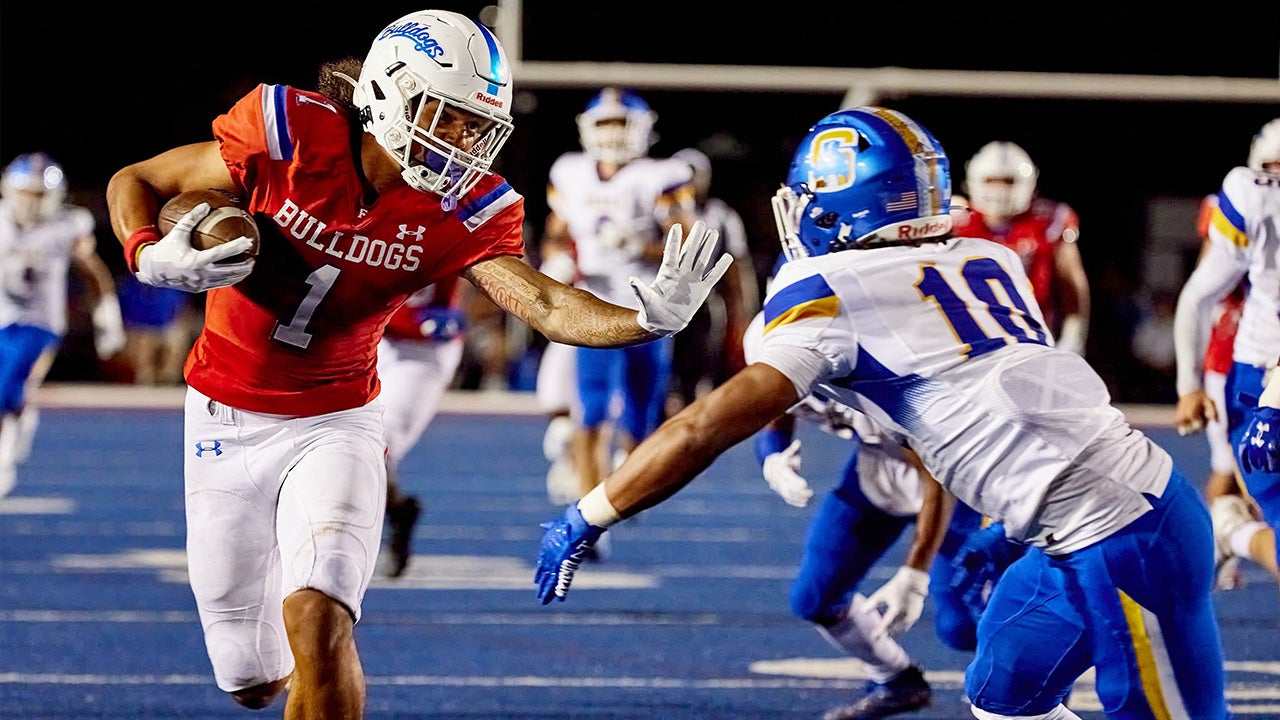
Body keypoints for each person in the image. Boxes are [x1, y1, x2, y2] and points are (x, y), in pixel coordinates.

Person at [105, 11, 730, 719]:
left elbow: (547, 306)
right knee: (252, 680)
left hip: (336, 420)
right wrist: (148, 254)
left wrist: (645, 319)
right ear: (393, 92)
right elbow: (140, 178)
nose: (466, 141)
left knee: (320, 619)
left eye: (477, 125)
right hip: (224, 412)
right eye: (453, 117)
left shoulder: (466, 206)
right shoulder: (287, 130)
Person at [536, 106, 1229, 720]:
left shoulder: (829, 291)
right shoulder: (989, 257)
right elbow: (1022, 405)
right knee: (1004, 693)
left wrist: (590, 513)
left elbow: (704, 425)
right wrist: (1012, 525)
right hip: (1078, 520)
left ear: (840, 207)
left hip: (1125, 539)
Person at [541, 87, 700, 559]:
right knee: (590, 413)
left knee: (640, 421)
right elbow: (554, 235)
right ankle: (588, 516)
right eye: (604, 125)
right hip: (594, 307)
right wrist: (556, 263)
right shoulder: (569, 173)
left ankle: (627, 478)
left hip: (649, 310)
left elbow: (690, 244)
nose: (612, 135)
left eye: (620, 125)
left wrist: (640, 245)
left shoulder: (662, 176)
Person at [1176, 116, 1280, 582]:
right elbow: (1201, 294)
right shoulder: (1252, 199)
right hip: (1259, 373)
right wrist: (1188, 386)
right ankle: (1230, 532)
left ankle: (1231, 531)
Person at [0, 152, 125, 498]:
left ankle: (4, 458)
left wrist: (107, 316)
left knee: (7, 388)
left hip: (39, 322)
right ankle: (16, 423)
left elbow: (93, 273)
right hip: (1, 316)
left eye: (39, 195)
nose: (31, 203)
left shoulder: (67, 226)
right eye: (27, 193)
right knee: (11, 393)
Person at [952, 141, 1090, 356]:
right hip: (967, 338)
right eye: (991, 181)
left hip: (1032, 337)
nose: (999, 190)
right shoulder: (954, 219)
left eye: (1008, 181)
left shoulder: (1048, 220)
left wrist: (1074, 333)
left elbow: (1071, 281)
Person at [376, 276, 468, 578]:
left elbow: (501, 275)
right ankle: (398, 509)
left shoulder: (456, 226)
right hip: (364, 337)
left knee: (377, 446)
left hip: (421, 347)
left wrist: (465, 313)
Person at [667, 147, 759, 413]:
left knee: (699, 371)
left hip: (704, 302)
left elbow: (735, 266)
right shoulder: (657, 212)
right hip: (663, 300)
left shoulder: (721, 215)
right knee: (662, 377)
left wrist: (742, 313)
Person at [117, 273, 194, 386]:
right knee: (143, 343)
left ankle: (169, 381)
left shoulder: (173, 285)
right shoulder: (129, 286)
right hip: (139, 331)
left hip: (165, 329)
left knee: (177, 339)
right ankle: (144, 382)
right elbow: (121, 317)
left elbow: (183, 313)